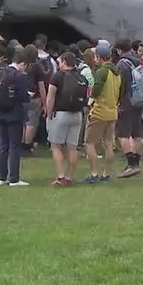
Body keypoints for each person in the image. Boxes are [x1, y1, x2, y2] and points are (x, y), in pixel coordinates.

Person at [46, 52, 88, 186]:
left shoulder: (57, 76)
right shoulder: (81, 77)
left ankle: (60, 176)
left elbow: (51, 96)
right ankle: (69, 176)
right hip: (77, 114)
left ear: (64, 62)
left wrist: (49, 113)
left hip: (61, 113)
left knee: (56, 146)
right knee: (72, 147)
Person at [0, 47, 32, 187]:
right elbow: (23, 96)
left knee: (3, 145)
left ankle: (1, 177)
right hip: (14, 114)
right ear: (22, 63)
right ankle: (14, 178)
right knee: (14, 146)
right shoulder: (20, 77)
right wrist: (28, 96)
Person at [83, 42, 120, 183]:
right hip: (112, 111)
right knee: (109, 143)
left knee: (90, 142)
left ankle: (94, 174)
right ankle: (106, 173)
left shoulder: (101, 71)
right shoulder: (116, 72)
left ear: (99, 57)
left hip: (100, 111)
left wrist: (91, 93)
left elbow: (95, 92)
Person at [113, 40, 143, 178]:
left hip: (127, 100)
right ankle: (136, 163)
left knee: (123, 133)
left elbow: (121, 84)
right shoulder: (138, 60)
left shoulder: (122, 64)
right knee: (136, 132)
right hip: (139, 99)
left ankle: (131, 164)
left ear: (119, 50)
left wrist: (117, 100)